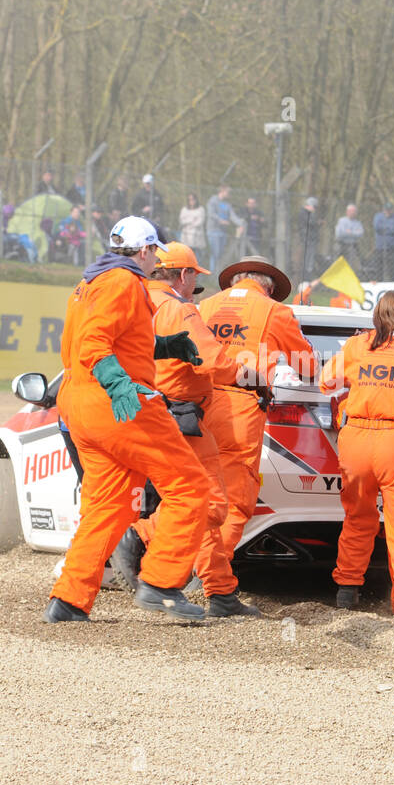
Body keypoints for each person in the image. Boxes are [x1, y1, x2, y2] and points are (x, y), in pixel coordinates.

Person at [43, 216, 210, 624]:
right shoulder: (123, 282)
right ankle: (161, 583)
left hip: (80, 404)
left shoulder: (90, 283)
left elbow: (118, 339)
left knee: (107, 506)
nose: (156, 258)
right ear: (144, 251)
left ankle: (68, 601)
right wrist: (121, 386)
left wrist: (166, 346)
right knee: (190, 486)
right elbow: (95, 344)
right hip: (119, 405)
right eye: (155, 250)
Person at [106, 241, 263, 617]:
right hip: (179, 415)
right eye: (194, 274)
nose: (195, 283)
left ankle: (221, 591)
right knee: (207, 503)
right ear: (182, 274)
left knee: (192, 499)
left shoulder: (135, 301)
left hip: (137, 409)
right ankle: (150, 559)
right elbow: (213, 360)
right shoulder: (178, 309)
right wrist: (251, 375)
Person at [319, 290, 394, 628]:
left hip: (355, 439)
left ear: (377, 316)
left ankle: (346, 588)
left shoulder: (358, 346)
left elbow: (324, 383)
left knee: (358, 516)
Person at [197, 257, 318, 593]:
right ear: (269, 286)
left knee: (196, 493)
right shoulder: (274, 312)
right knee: (235, 500)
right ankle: (212, 580)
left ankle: (144, 535)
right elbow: (307, 367)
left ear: (236, 281)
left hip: (196, 406)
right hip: (239, 408)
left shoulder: (204, 306)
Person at [205, 184, 235, 265]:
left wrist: (241, 222)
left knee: (220, 254)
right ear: (222, 191)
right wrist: (220, 221)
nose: (230, 194)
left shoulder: (228, 204)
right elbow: (211, 214)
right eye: (228, 192)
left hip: (223, 232)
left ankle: (218, 272)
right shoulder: (213, 200)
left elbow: (232, 216)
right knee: (215, 253)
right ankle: (214, 274)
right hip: (213, 231)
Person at [372, 203, 394, 280]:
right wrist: (389, 228)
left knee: (393, 268)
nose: (388, 212)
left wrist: (385, 229)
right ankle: (379, 282)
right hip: (380, 246)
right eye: (386, 210)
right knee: (379, 266)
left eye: (389, 210)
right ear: (383, 209)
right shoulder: (378, 216)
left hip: (392, 247)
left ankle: (393, 282)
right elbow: (377, 228)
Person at [177, 192, 206, 260]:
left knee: (197, 258)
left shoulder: (201, 209)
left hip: (197, 237)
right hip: (186, 237)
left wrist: (188, 222)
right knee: (187, 258)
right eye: (189, 199)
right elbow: (182, 221)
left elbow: (200, 222)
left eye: (193, 199)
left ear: (196, 200)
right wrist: (192, 220)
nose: (191, 201)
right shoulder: (184, 209)